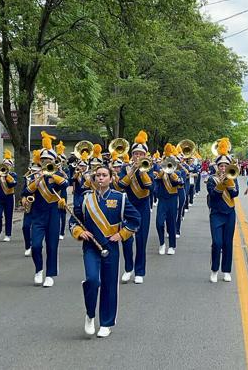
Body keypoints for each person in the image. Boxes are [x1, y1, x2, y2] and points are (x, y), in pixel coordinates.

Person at [71, 165, 140, 338]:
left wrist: (122, 234)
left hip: (110, 246)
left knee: (109, 284)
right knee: (92, 280)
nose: (100, 178)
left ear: (111, 178)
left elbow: (135, 219)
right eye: (98, 175)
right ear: (94, 179)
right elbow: (74, 220)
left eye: (104, 175)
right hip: (91, 246)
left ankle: (106, 323)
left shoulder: (120, 198)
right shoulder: (85, 198)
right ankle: (90, 314)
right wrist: (79, 232)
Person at [25, 131, 68, 287]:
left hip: (53, 214)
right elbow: (25, 192)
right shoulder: (33, 175)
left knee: (52, 245)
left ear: (53, 161)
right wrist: (37, 181)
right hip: (38, 214)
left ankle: (50, 274)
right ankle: (38, 270)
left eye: (48, 160)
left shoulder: (58, 174)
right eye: (43, 160)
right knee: (36, 245)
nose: (45, 162)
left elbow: (65, 184)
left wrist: (52, 176)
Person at [115, 130, 155, 284]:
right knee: (126, 239)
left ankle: (140, 271)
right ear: (131, 155)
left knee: (141, 240)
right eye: (135, 154)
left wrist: (143, 171)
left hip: (143, 206)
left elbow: (151, 188)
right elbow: (121, 185)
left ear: (145, 155)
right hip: (129, 206)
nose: (138, 156)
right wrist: (132, 170)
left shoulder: (150, 168)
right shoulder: (125, 167)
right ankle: (128, 269)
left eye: (140, 154)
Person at [207, 138, 238, 283]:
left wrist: (229, 181)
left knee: (227, 243)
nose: (223, 168)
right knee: (217, 243)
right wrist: (221, 183)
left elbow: (235, 194)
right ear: (217, 167)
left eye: (226, 165)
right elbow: (213, 195)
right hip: (216, 214)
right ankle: (214, 269)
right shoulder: (211, 179)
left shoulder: (233, 177)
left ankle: (226, 271)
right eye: (221, 166)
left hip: (230, 213)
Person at [155, 144, 182, 255]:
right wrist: (160, 175)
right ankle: (162, 243)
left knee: (171, 224)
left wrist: (174, 176)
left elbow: (180, 184)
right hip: (162, 200)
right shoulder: (161, 174)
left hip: (172, 200)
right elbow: (155, 184)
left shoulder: (177, 173)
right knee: (159, 223)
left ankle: (172, 246)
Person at [0, 150, 17, 242]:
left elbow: (12, 184)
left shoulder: (13, 175)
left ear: (11, 166)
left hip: (9, 198)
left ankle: (8, 234)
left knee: (8, 217)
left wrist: (6, 175)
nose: (6, 166)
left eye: (8, 165)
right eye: (5, 164)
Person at [21, 150, 41, 257]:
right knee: (25, 226)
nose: (35, 172)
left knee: (36, 228)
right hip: (30, 205)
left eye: (37, 170)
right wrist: (23, 198)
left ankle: (35, 245)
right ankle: (27, 246)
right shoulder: (28, 178)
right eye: (33, 169)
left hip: (40, 205)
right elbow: (24, 191)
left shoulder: (45, 178)